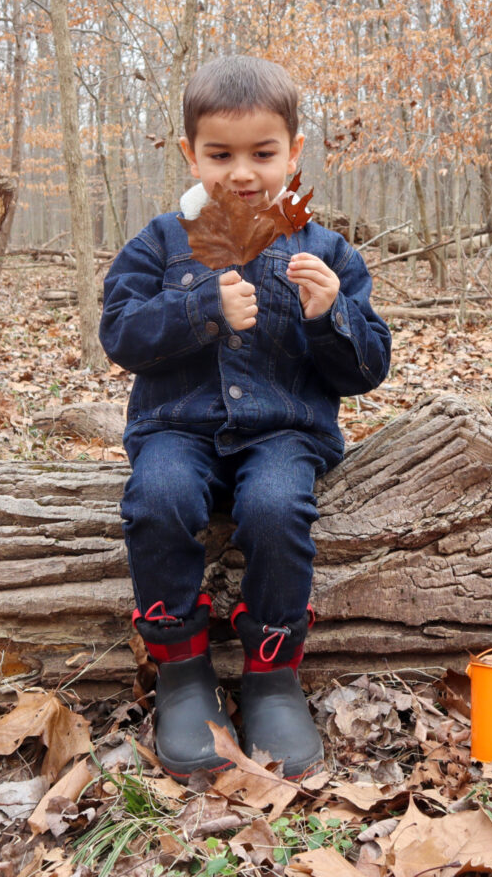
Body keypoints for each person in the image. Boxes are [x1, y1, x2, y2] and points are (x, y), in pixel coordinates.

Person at [100, 55, 392, 779]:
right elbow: (119, 333)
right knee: (158, 497)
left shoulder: (323, 250)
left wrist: (331, 316)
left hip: (284, 434)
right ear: (190, 154)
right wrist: (198, 307)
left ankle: (271, 674)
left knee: (274, 506)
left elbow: (368, 368)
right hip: (176, 427)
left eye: (262, 153)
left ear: (293, 152)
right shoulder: (160, 243)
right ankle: (182, 670)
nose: (242, 172)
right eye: (220, 154)